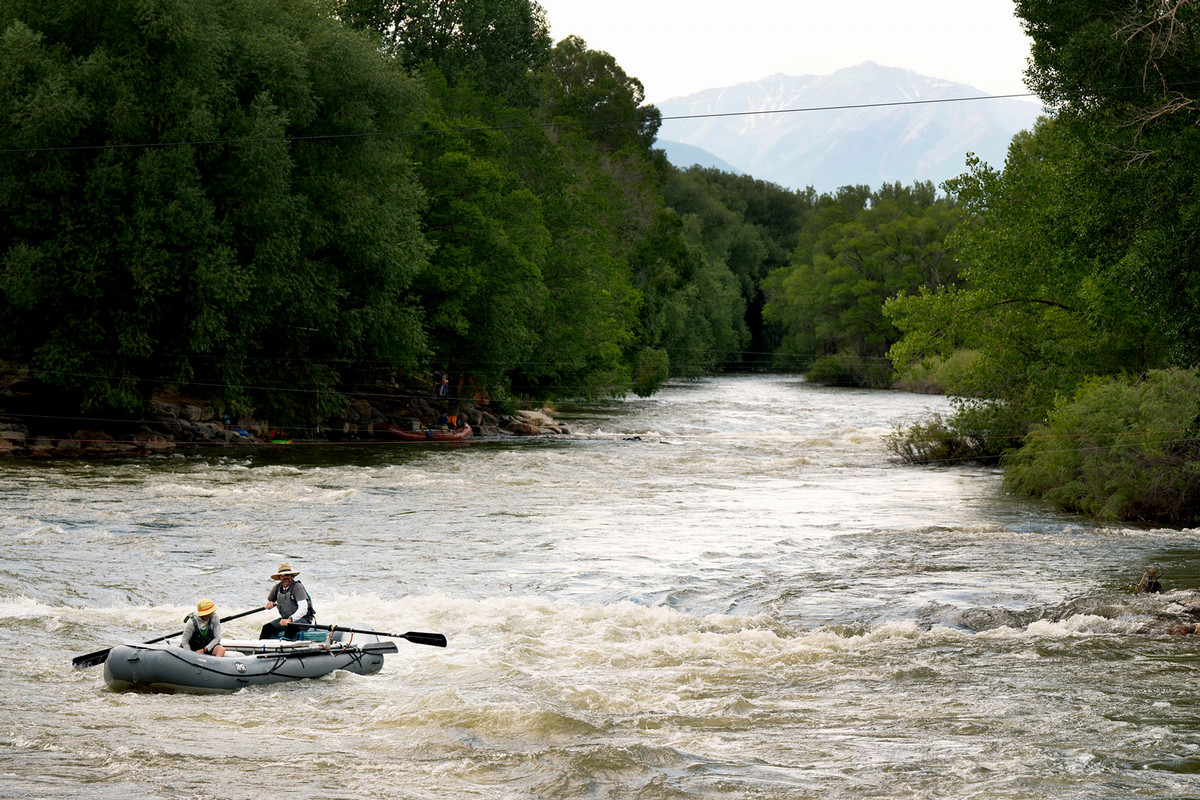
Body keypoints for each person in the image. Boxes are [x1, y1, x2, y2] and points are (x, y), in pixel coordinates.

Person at [259, 562, 316, 640]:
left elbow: (303, 608)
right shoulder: (277, 587)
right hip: (286, 619)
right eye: (283, 575)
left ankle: (284, 646)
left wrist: (290, 619)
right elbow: (271, 601)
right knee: (267, 628)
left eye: (287, 575)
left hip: (304, 619)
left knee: (290, 627)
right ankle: (261, 649)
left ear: (291, 576)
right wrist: (270, 603)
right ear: (279, 577)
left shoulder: (297, 587)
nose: (285, 577)